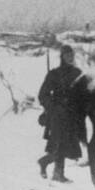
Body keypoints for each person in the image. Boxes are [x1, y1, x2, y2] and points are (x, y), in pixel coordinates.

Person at [37, 45, 84, 182]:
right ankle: (57, 173)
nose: (70, 57)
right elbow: (43, 94)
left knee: (66, 145)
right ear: (62, 56)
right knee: (59, 143)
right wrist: (52, 106)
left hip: (72, 115)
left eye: (72, 55)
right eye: (67, 55)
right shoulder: (54, 74)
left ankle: (45, 162)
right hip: (57, 115)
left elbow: (82, 94)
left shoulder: (78, 73)